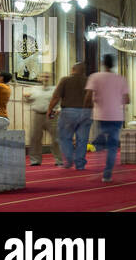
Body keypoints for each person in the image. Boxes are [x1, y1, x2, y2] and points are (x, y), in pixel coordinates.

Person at [84, 54, 130, 183]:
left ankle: (98, 170)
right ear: (114, 64)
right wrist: (115, 100)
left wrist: (89, 107)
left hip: (101, 116)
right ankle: (107, 174)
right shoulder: (121, 79)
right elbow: (127, 99)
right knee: (112, 146)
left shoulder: (95, 77)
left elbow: (88, 97)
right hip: (116, 116)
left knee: (99, 145)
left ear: (103, 63)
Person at [48, 62, 92, 170]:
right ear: (83, 71)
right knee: (82, 139)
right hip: (86, 112)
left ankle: (69, 159)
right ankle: (80, 164)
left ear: (73, 69)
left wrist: (50, 109)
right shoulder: (89, 81)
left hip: (68, 112)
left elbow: (56, 96)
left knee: (65, 137)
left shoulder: (65, 80)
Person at [24, 74, 54, 166]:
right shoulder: (34, 89)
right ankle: (35, 160)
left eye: (47, 77)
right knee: (35, 138)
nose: (45, 78)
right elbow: (28, 102)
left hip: (51, 115)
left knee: (57, 138)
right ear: (39, 78)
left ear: (50, 78)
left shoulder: (54, 89)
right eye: (43, 76)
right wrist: (26, 98)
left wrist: (58, 110)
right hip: (37, 114)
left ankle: (59, 160)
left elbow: (58, 100)